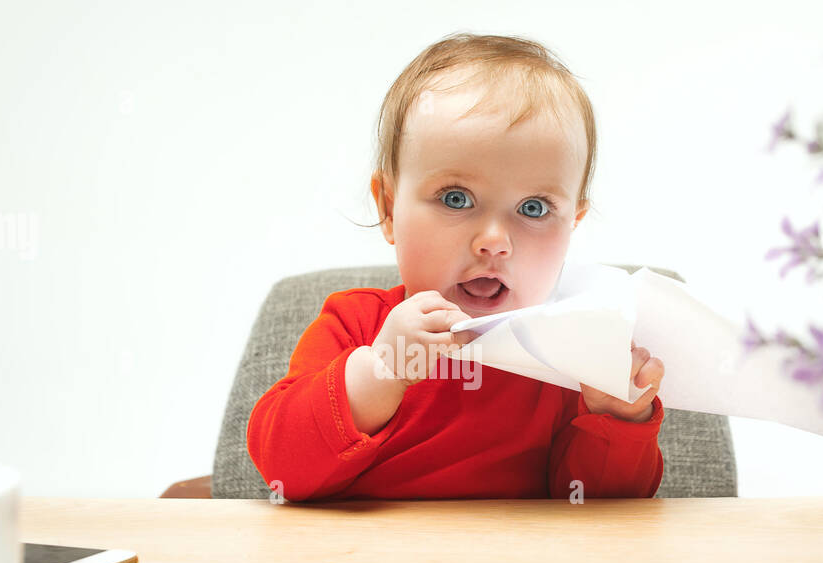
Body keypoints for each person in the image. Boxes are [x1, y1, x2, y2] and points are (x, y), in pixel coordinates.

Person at [247, 32, 665, 502]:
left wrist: (614, 417)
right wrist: (380, 372)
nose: (494, 241)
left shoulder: (567, 353)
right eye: (455, 198)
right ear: (388, 209)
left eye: (533, 208)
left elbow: (603, 514)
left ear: (572, 225)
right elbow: (281, 470)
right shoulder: (357, 324)